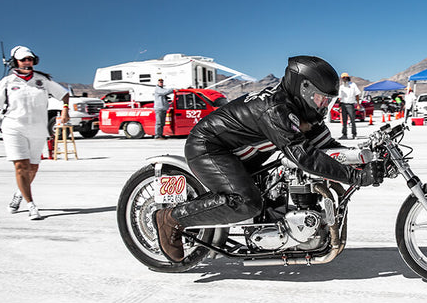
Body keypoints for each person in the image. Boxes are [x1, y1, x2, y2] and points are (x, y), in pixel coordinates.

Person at [154, 55, 384, 262]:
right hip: (209, 148)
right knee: (246, 202)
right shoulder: (275, 109)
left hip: (241, 153)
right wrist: (355, 177)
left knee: (275, 187)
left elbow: (328, 148)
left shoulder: (302, 111)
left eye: (328, 100)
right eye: (321, 99)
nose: (324, 105)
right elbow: (305, 157)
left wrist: (366, 161)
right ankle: (171, 219)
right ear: (304, 88)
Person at [0, 46, 69, 221]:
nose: (27, 62)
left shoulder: (42, 80)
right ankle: (31, 206)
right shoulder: (7, 82)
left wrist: (65, 109)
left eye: (30, 59)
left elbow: (63, 94)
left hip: (38, 129)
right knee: (21, 166)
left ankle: (19, 193)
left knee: (33, 168)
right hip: (14, 128)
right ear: (15, 62)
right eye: (23, 60)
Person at [337, 72, 361, 139]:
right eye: (343, 78)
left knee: (352, 120)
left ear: (348, 78)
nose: (344, 79)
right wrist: (339, 106)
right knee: (344, 121)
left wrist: (358, 104)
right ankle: (344, 135)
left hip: (350, 105)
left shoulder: (353, 85)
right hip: (343, 105)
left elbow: (357, 95)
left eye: (345, 77)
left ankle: (354, 134)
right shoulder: (341, 87)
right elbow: (339, 98)